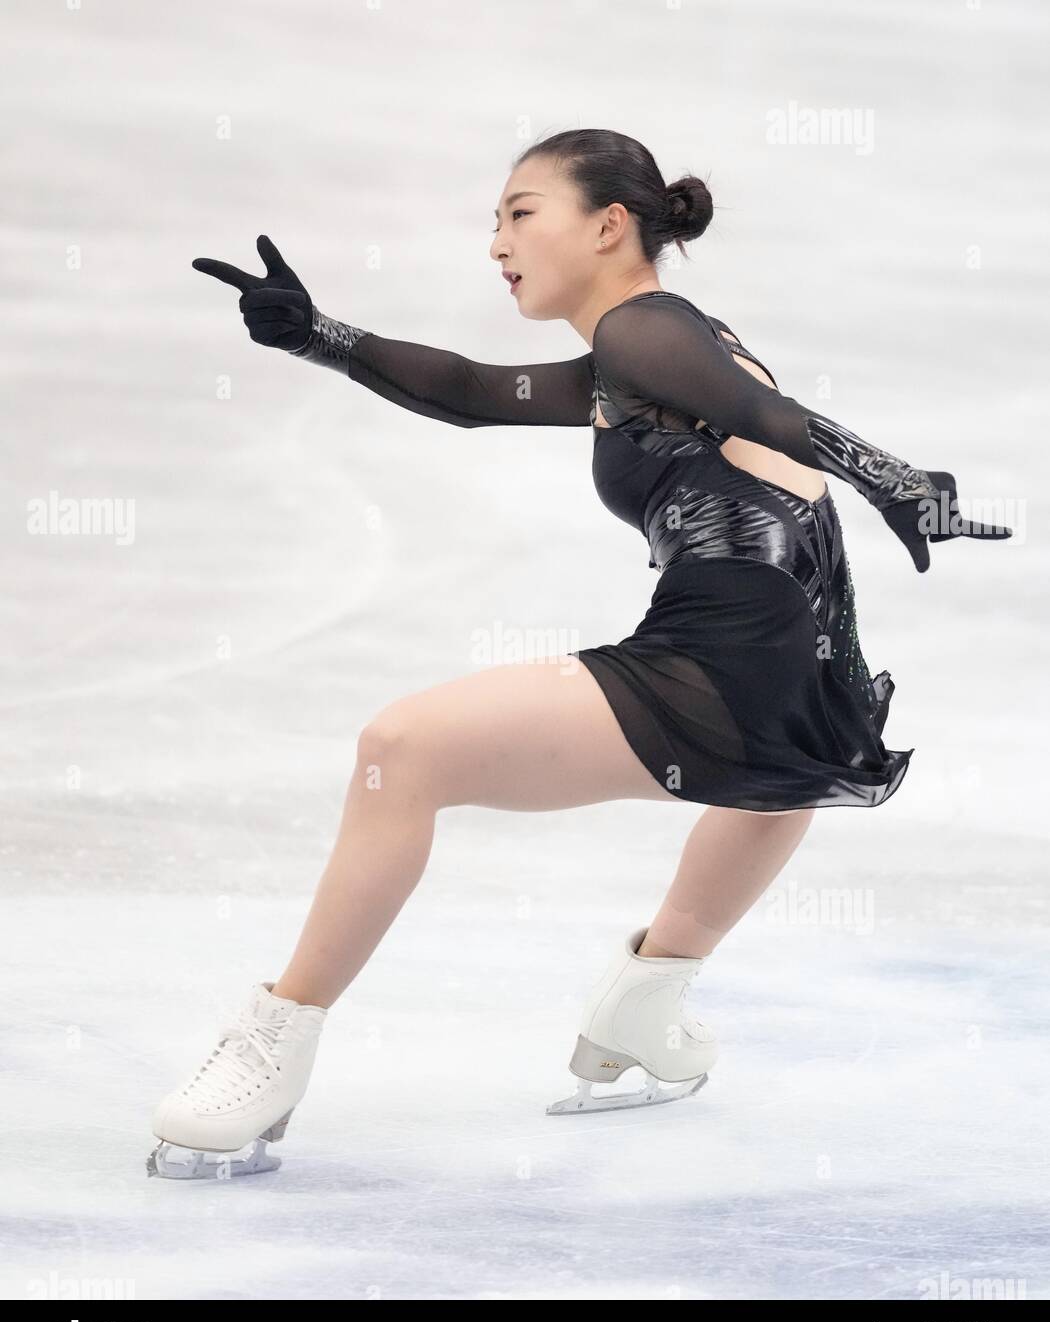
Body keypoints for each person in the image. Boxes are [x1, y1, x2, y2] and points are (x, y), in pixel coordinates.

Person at [148, 129, 1010, 1174]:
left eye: (520, 212)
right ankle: (644, 1006)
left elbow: (765, 416)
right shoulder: (635, 356)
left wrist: (893, 476)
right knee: (772, 785)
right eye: (494, 222)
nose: (498, 242)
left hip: (730, 655)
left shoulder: (647, 330)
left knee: (400, 751)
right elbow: (475, 390)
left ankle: (272, 1047)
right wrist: (319, 334)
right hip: (788, 662)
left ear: (609, 225)